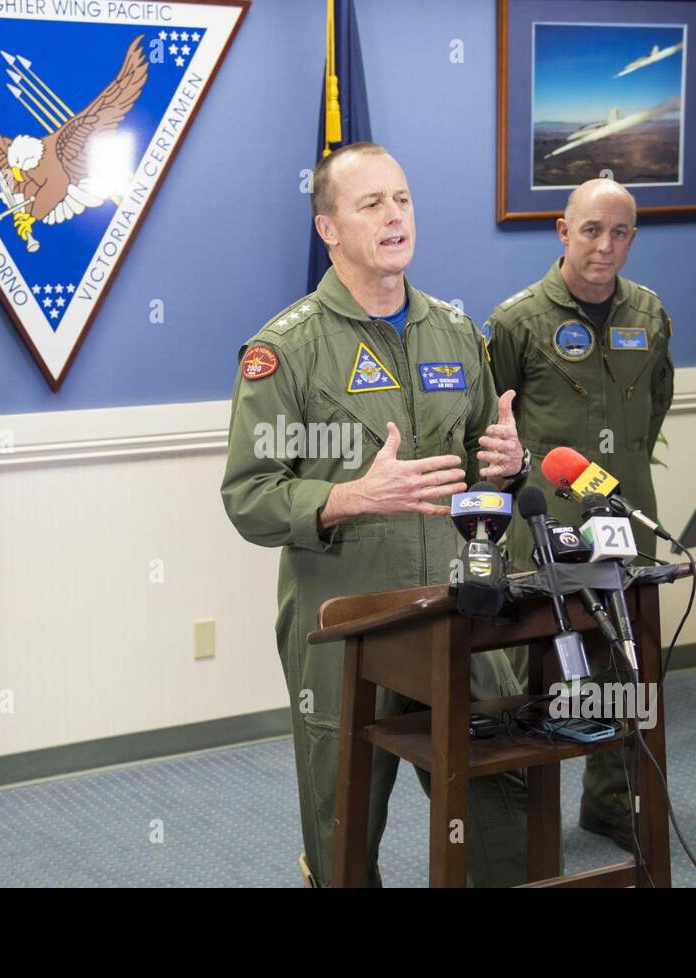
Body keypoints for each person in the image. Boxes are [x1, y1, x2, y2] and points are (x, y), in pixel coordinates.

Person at [221, 142, 531, 887]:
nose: (394, 216)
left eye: (402, 199)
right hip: (347, 623)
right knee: (344, 826)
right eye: (371, 204)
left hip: (458, 612)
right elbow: (249, 496)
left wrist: (509, 469)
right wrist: (346, 497)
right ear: (328, 228)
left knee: (497, 813)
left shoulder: (457, 335)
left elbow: (480, 490)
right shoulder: (284, 351)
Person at [485, 178, 674, 852]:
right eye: (590, 230)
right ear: (563, 232)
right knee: (539, 678)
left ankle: (611, 803)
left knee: (626, 667)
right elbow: (495, 428)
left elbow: (654, 410)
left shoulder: (648, 313)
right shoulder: (517, 320)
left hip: (624, 521)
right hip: (545, 531)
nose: (604, 246)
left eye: (619, 232)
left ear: (632, 237)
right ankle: (523, 820)